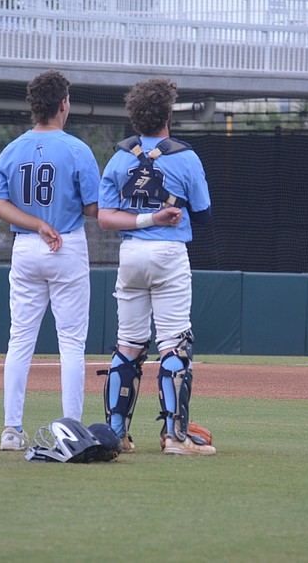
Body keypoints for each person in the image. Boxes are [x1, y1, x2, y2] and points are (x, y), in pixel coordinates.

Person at [98, 77, 215, 456]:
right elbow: (204, 214)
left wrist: (142, 215)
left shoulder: (119, 158)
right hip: (168, 254)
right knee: (174, 345)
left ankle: (116, 435)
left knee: (128, 346)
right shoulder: (186, 157)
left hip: (130, 254)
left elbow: (105, 218)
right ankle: (175, 438)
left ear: (134, 116)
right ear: (167, 115)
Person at [0, 70, 100, 451]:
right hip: (66, 245)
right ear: (63, 104)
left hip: (26, 245)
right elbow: (93, 207)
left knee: (20, 339)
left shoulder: (12, 149)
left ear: (34, 106)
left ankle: (11, 430)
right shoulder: (77, 149)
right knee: (71, 343)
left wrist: (36, 223)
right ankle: (72, 431)